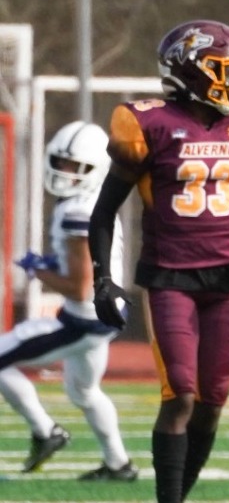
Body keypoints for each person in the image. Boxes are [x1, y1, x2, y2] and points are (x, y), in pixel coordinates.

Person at [88, 20, 229, 503]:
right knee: (179, 393)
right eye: (226, 73)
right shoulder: (147, 125)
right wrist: (102, 277)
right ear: (189, 72)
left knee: (213, 404)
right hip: (169, 277)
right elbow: (105, 211)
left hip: (225, 281)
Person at [0, 121, 135, 480]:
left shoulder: (77, 210)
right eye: (61, 163)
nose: (65, 172)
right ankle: (119, 464)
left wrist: (37, 270)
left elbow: (79, 287)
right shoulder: (93, 202)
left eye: (75, 167)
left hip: (83, 318)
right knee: (84, 391)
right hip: (105, 314)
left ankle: (46, 432)